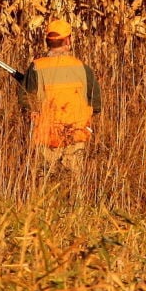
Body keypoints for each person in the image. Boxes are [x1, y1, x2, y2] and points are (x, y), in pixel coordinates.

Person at [18, 18, 103, 179]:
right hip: (76, 137)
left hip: (46, 136)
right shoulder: (83, 68)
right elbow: (96, 105)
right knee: (72, 183)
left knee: (45, 185)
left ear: (47, 42)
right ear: (67, 40)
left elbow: (26, 102)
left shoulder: (36, 68)